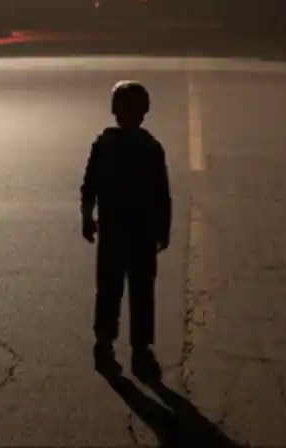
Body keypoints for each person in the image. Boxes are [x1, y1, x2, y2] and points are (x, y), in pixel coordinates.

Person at [81, 80, 172, 380]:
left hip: (113, 230)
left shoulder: (103, 145)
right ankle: (141, 347)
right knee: (142, 290)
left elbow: (89, 186)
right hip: (142, 233)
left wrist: (87, 216)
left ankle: (105, 340)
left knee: (109, 287)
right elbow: (162, 193)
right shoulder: (151, 147)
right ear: (144, 111)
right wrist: (164, 228)